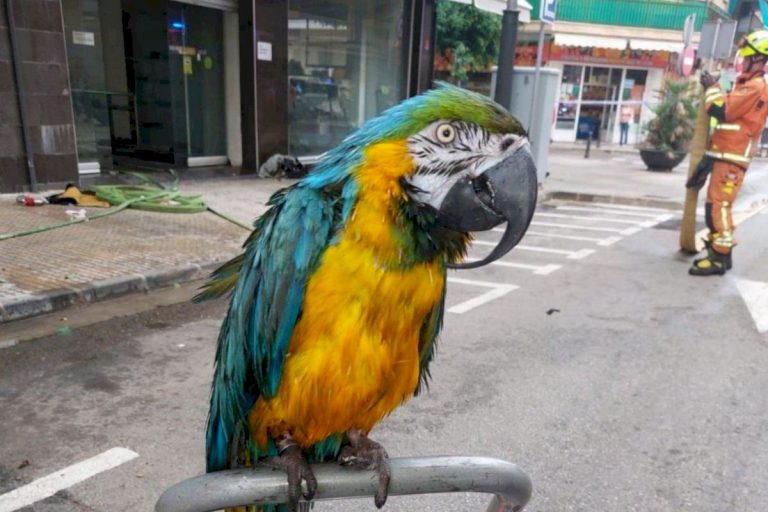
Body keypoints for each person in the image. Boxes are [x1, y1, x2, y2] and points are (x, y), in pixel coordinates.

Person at [689, 30, 768, 276]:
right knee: (715, 205)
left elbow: (721, 110)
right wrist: (709, 156)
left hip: (732, 157)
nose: (742, 62)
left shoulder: (755, 86)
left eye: (747, 57)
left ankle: (719, 257)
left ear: (760, 60)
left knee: (719, 207)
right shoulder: (747, 85)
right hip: (724, 154)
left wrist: (712, 88)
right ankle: (720, 253)